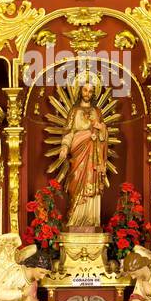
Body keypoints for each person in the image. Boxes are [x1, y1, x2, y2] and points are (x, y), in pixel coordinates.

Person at [54, 72, 109, 230]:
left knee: (91, 182)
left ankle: (91, 220)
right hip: (78, 155)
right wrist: (64, 147)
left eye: (91, 91)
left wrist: (101, 129)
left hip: (94, 155)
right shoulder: (74, 111)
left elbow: (104, 135)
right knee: (76, 181)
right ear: (80, 91)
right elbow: (69, 132)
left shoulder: (97, 112)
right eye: (85, 90)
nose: (88, 94)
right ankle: (75, 219)